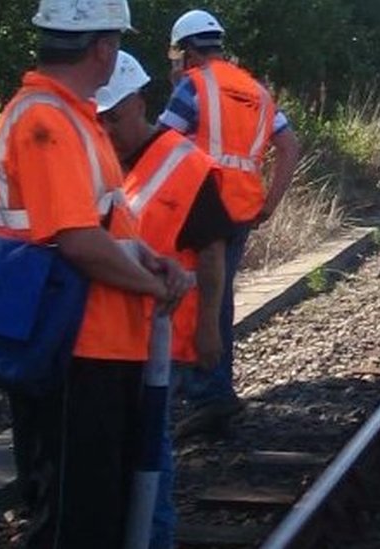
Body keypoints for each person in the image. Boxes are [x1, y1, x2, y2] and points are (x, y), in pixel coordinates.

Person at [0, 1, 190, 546]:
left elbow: (99, 224)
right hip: (71, 345)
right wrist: (153, 286)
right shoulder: (46, 121)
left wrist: (145, 256)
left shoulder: (73, 116)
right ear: (103, 48)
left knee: (102, 510)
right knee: (76, 519)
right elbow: (77, 241)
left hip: (97, 341)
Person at [95, 50, 236, 549]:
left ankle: (154, 538)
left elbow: (212, 253)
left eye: (114, 117)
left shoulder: (186, 165)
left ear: (139, 102)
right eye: (100, 119)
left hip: (164, 334)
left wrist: (209, 328)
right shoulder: (98, 158)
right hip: (110, 334)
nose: (107, 128)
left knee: (149, 446)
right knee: (128, 446)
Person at [160, 9, 300, 436]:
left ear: (186, 51)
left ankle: (205, 392)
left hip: (198, 209)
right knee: (217, 296)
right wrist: (270, 203)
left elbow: (159, 146)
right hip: (242, 209)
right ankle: (212, 389)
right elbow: (290, 146)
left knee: (194, 296)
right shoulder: (256, 90)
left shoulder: (192, 86)